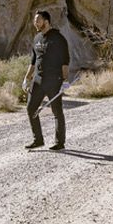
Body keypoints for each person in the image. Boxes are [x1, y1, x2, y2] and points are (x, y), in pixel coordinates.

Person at [22, 10, 70, 151]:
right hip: (38, 80)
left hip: (54, 80)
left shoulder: (58, 38)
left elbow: (65, 61)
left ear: (46, 21)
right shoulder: (37, 38)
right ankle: (38, 140)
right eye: (35, 20)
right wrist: (26, 78)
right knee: (31, 109)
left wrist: (65, 81)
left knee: (57, 111)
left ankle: (59, 142)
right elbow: (33, 60)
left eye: (38, 20)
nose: (35, 22)